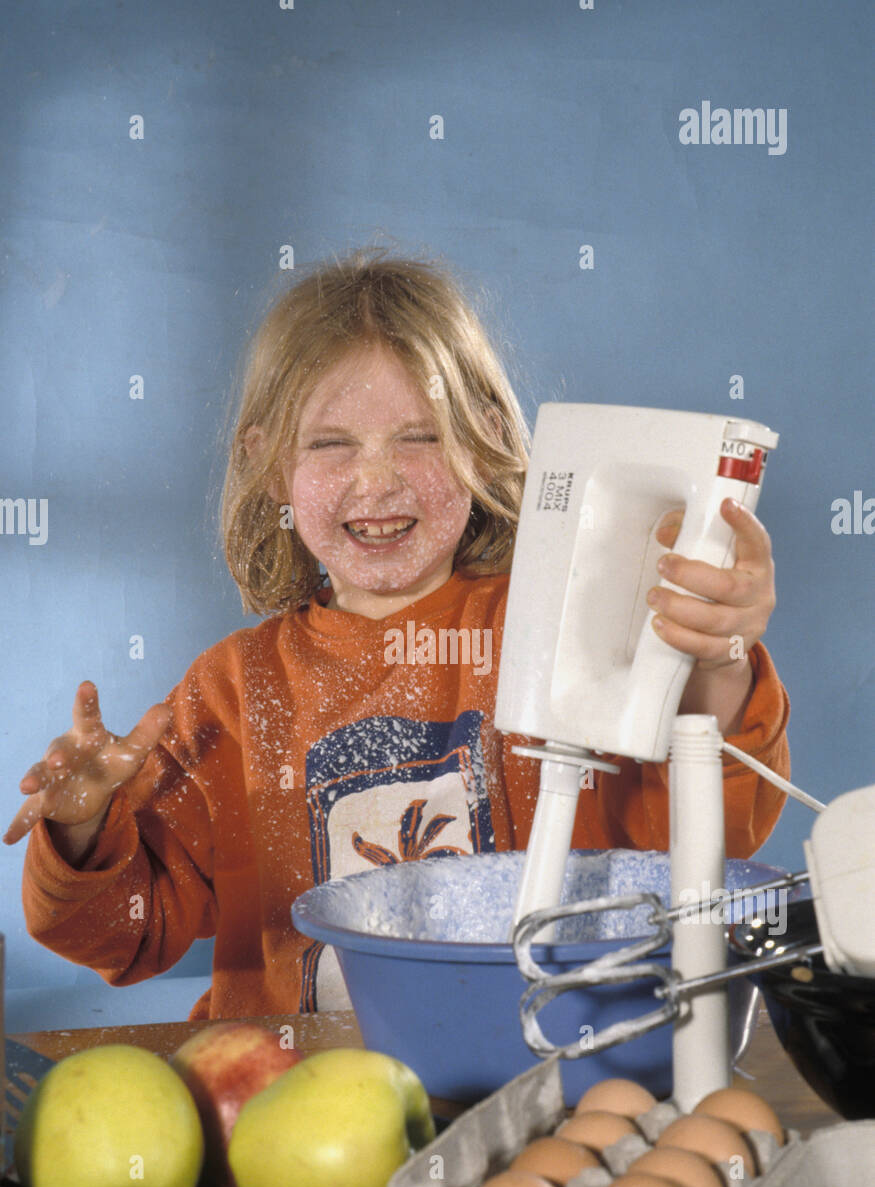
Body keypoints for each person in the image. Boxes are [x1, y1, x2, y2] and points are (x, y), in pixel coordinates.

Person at [4, 247, 790, 1019]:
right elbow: (123, 937)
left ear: (482, 440)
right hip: (297, 1105)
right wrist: (79, 831)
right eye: (329, 443)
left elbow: (709, 832)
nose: (376, 480)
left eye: (419, 438)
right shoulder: (230, 692)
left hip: (543, 1073)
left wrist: (716, 656)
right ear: (270, 464)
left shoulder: (565, 625)